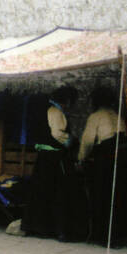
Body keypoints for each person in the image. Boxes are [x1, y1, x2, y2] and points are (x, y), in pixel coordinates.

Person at [22, 87, 81, 240]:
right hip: (53, 158)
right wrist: (71, 141)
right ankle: (50, 228)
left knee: (41, 191)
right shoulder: (55, 111)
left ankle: (36, 226)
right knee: (55, 192)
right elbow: (57, 134)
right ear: (67, 100)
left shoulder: (43, 109)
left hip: (44, 156)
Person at [80, 85, 127, 247]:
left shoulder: (96, 117)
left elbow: (88, 141)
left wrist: (80, 158)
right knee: (119, 196)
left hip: (107, 158)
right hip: (124, 158)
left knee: (103, 196)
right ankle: (119, 234)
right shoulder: (117, 116)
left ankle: (104, 235)